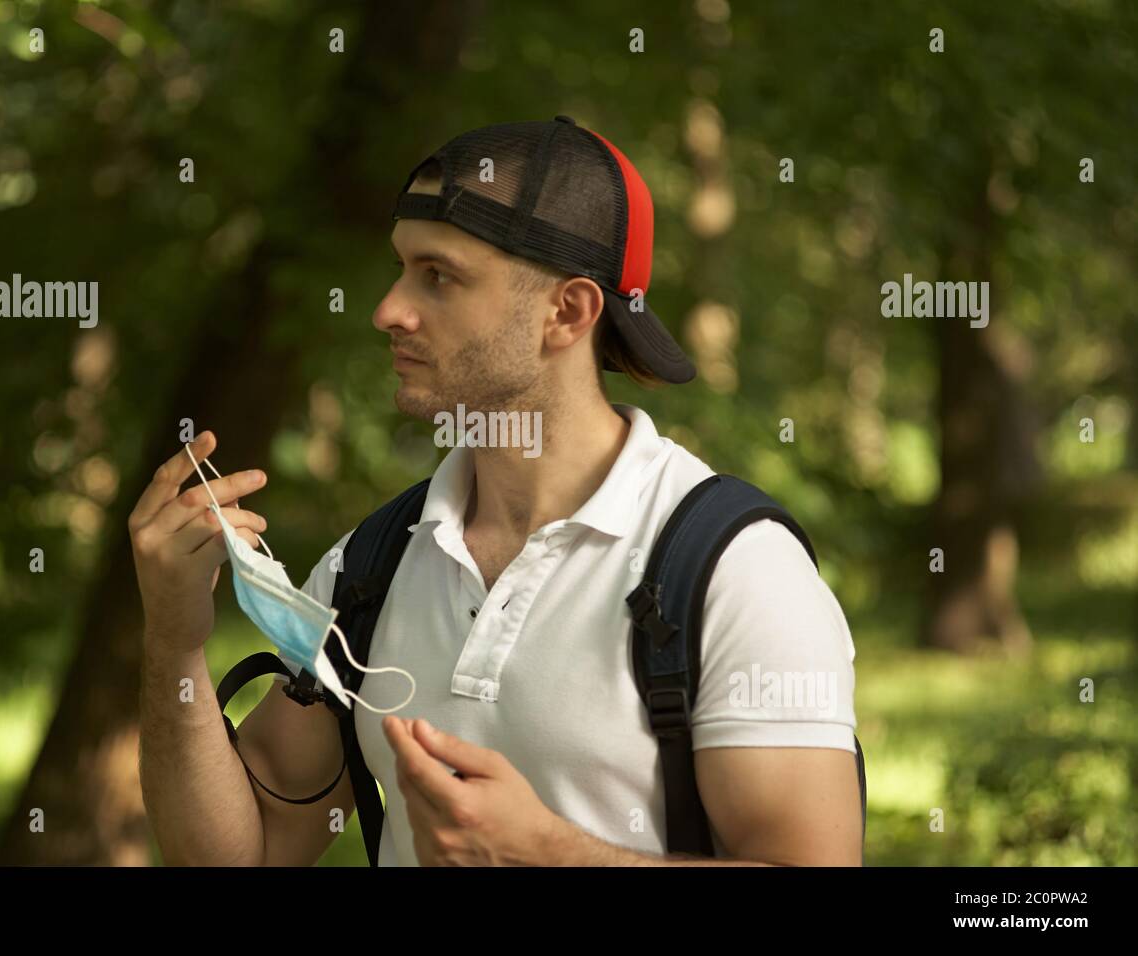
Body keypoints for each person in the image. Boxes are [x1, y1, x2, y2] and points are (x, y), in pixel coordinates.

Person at [133, 116, 862, 866]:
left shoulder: (735, 570)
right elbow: (242, 855)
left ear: (568, 312)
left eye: (438, 276)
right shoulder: (372, 568)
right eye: (400, 267)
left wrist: (546, 852)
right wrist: (174, 638)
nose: (388, 310)